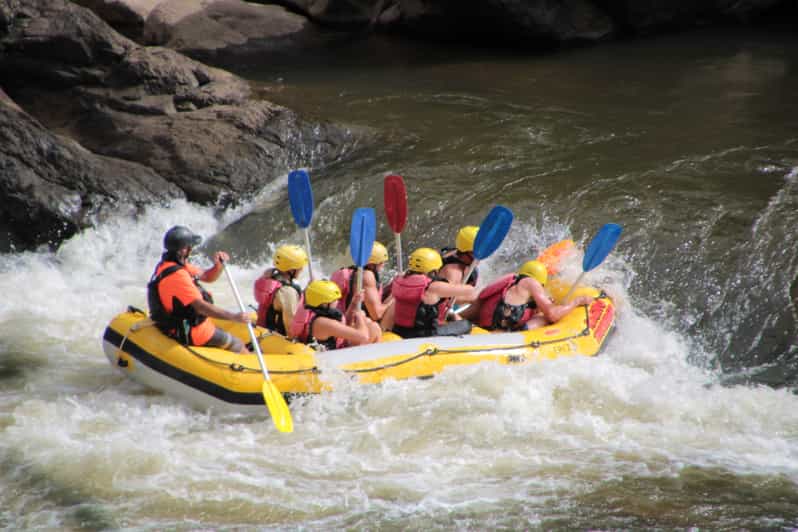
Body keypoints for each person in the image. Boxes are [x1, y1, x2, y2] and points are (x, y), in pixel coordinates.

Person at [147, 225, 250, 353]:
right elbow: (201, 307)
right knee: (237, 344)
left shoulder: (169, 265)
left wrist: (218, 266)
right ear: (184, 250)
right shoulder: (178, 276)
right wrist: (234, 317)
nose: (192, 249)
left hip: (184, 323)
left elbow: (207, 276)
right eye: (190, 246)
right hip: (192, 331)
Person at [461, 260, 594, 331]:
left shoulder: (509, 282)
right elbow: (553, 315)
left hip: (486, 328)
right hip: (508, 331)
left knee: (538, 313)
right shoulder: (531, 283)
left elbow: (479, 306)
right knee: (544, 318)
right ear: (540, 282)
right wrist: (577, 301)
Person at [382, 247, 478, 338]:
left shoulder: (399, 281)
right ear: (433, 269)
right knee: (466, 324)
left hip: (399, 331)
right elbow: (470, 291)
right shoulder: (433, 287)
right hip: (424, 335)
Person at [290, 279, 382, 350]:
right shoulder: (323, 323)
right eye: (334, 300)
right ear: (324, 304)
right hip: (333, 360)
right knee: (374, 328)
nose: (337, 302)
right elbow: (363, 337)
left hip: (334, 352)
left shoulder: (316, 314)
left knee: (371, 325)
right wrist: (360, 317)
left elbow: (343, 325)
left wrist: (354, 303)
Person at [330, 241, 394, 322]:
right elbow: (376, 314)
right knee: (395, 302)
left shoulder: (348, 271)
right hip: (356, 325)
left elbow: (373, 295)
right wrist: (392, 301)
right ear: (372, 264)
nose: (383, 265)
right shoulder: (367, 276)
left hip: (341, 321)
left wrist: (392, 287)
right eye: (381, 262)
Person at [253, 244, 307, 335]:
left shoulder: (268, 276)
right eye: (300, 267)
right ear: (291, 270)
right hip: (276, 336)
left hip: (263, 327)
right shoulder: (287, 292)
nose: (302, 269)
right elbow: (290, 323)